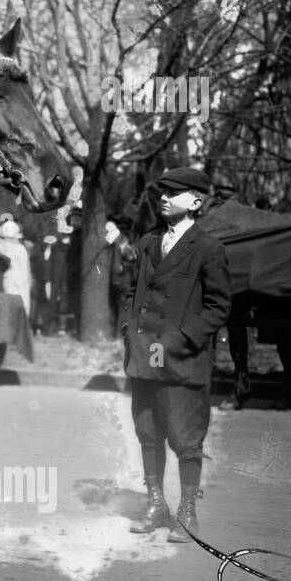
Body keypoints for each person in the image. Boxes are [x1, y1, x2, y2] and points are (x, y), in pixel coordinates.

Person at [123, 166, 231, 544]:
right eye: (163, 191)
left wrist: (181, 339)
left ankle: (187, 509)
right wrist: (127, 330)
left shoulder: (208, 248)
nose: (164, 197)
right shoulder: (149, 242)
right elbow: (130, 292)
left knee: (186, 439)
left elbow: (219, 307)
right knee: (148, 433)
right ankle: (156, 504)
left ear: (197, 202)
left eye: (175, 192)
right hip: (143, 359)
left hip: (181, 360)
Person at [0, 220, 32, 314]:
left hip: (7, 281)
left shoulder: (0, 247)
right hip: (18, 282)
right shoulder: (20, 248)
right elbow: (25, 271)